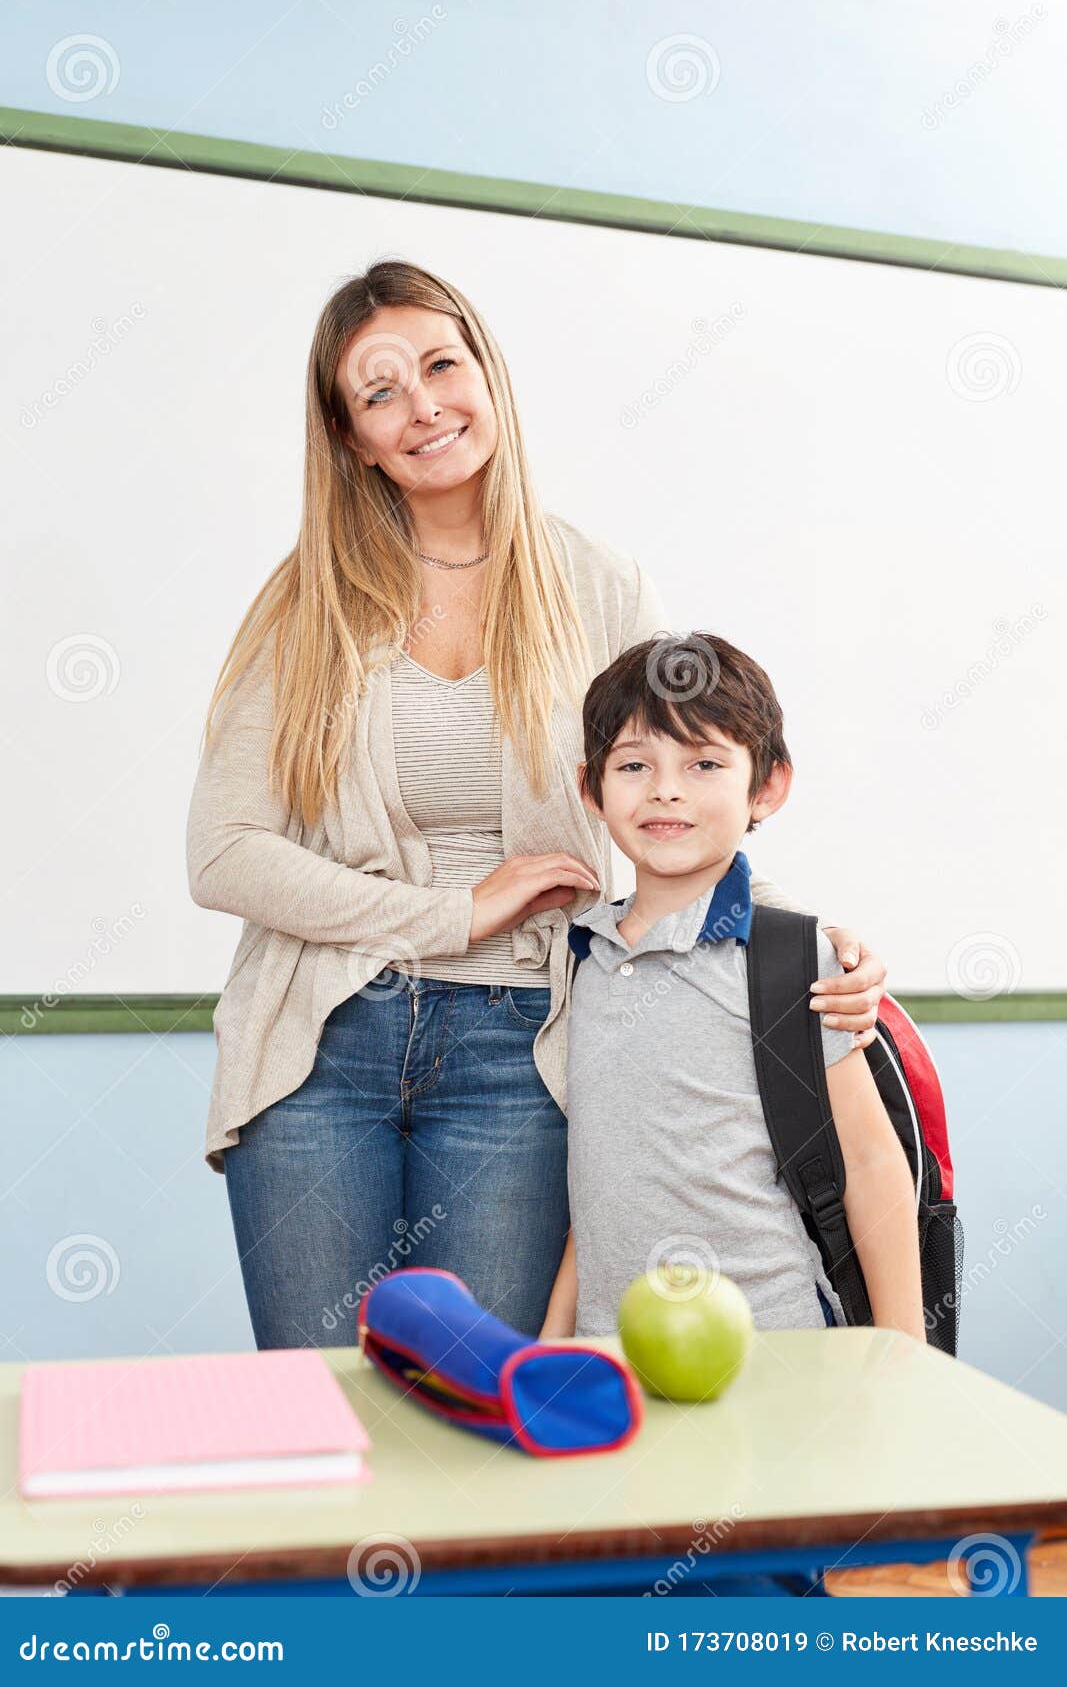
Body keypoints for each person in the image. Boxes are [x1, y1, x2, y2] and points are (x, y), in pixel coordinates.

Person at [186, 259, 888, 1348]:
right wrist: (453, 913)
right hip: (320, 1040)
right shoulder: (305, 604)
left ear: (487, 374)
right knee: (320, 1401)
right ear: (351, 438)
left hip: (520, 1045)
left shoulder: (599, 584)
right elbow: (224, 851)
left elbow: (680, 785)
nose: (423, 407)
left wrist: (793, 937)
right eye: (380, 393)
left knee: (481, 1400)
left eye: (440, 366)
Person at [540, 631, 925, 1342]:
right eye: (634, 764)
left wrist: (904, 1349)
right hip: (610, 1348)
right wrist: (551, 1344)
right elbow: (596, 1194)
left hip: (775, 1344)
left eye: (705, 763)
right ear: (591, 788)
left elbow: (872, 1163)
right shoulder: (582, 960)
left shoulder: (792, 961)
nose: (666, 789)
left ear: (765, 787)